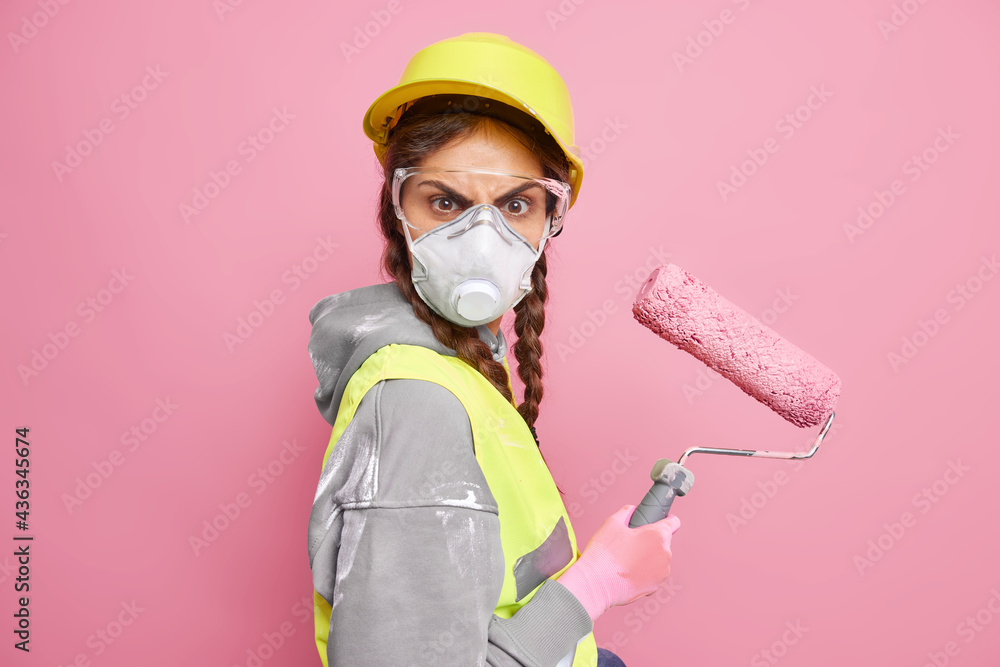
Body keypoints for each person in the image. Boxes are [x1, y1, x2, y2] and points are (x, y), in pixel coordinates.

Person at [306, 32, 681, 667]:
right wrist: (594, 585)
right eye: (445, 201)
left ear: (550, 219)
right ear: (397, 210)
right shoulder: (416, 400)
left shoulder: (463, 368)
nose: (481, 240)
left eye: (516, 204)